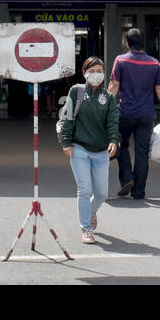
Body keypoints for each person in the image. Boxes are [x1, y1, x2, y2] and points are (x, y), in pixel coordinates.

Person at [61, 56, 119, 244]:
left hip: (101, 151)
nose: (95, 75)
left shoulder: (108, 97)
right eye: (91, 71)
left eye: (99, 71)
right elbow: (68, 117)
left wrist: (113, 140)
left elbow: (112, 121)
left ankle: (91, 210)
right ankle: (86, 229)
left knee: (101, 193)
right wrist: (66, 141)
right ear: (84, 73)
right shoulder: (75, 92)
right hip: (79, 148)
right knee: (84, 190)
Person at [108, 28, 160, 201]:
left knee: (119, 144)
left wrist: (104, 106)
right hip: (147, 115)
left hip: (125, 113)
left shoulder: (120, 60)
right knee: (142, 152)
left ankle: (127, 177)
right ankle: (139, 191)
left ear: (126, 43)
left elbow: (114, 85)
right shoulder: (154, 64)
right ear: (144, 43)